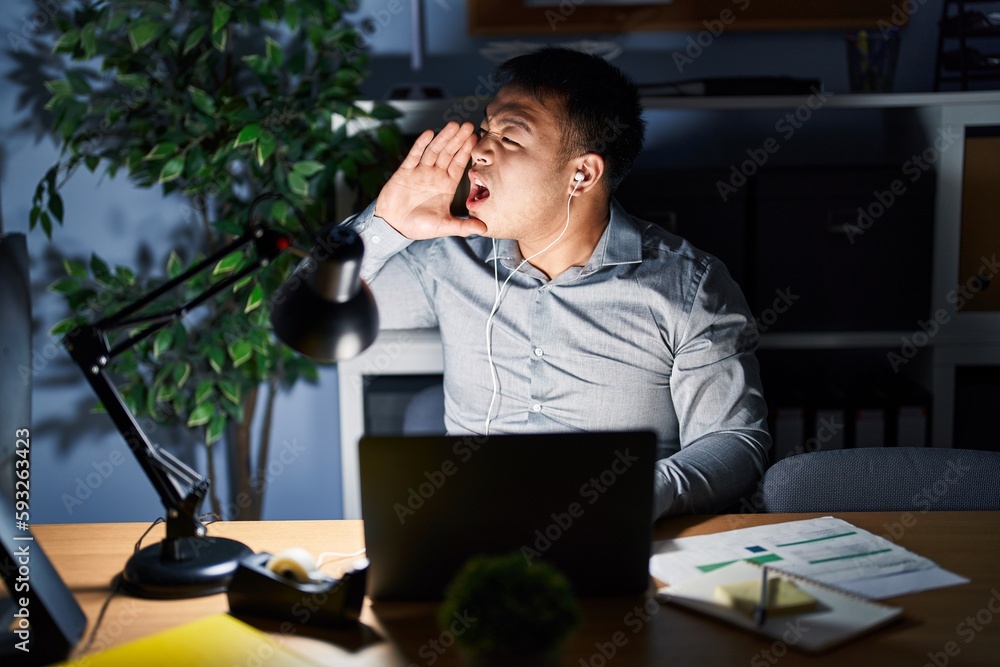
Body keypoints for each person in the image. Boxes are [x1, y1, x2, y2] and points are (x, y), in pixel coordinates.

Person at [344, 47, 771, 519]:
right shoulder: (449, 256)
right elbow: (304, 312)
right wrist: (386, 224)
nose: (478, 150)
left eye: (510, 137)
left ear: (581, 174)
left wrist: (633, 496)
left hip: (621, 535)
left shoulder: (689, 287)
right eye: (485, 129)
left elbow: (735, 443)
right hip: (474, 533)